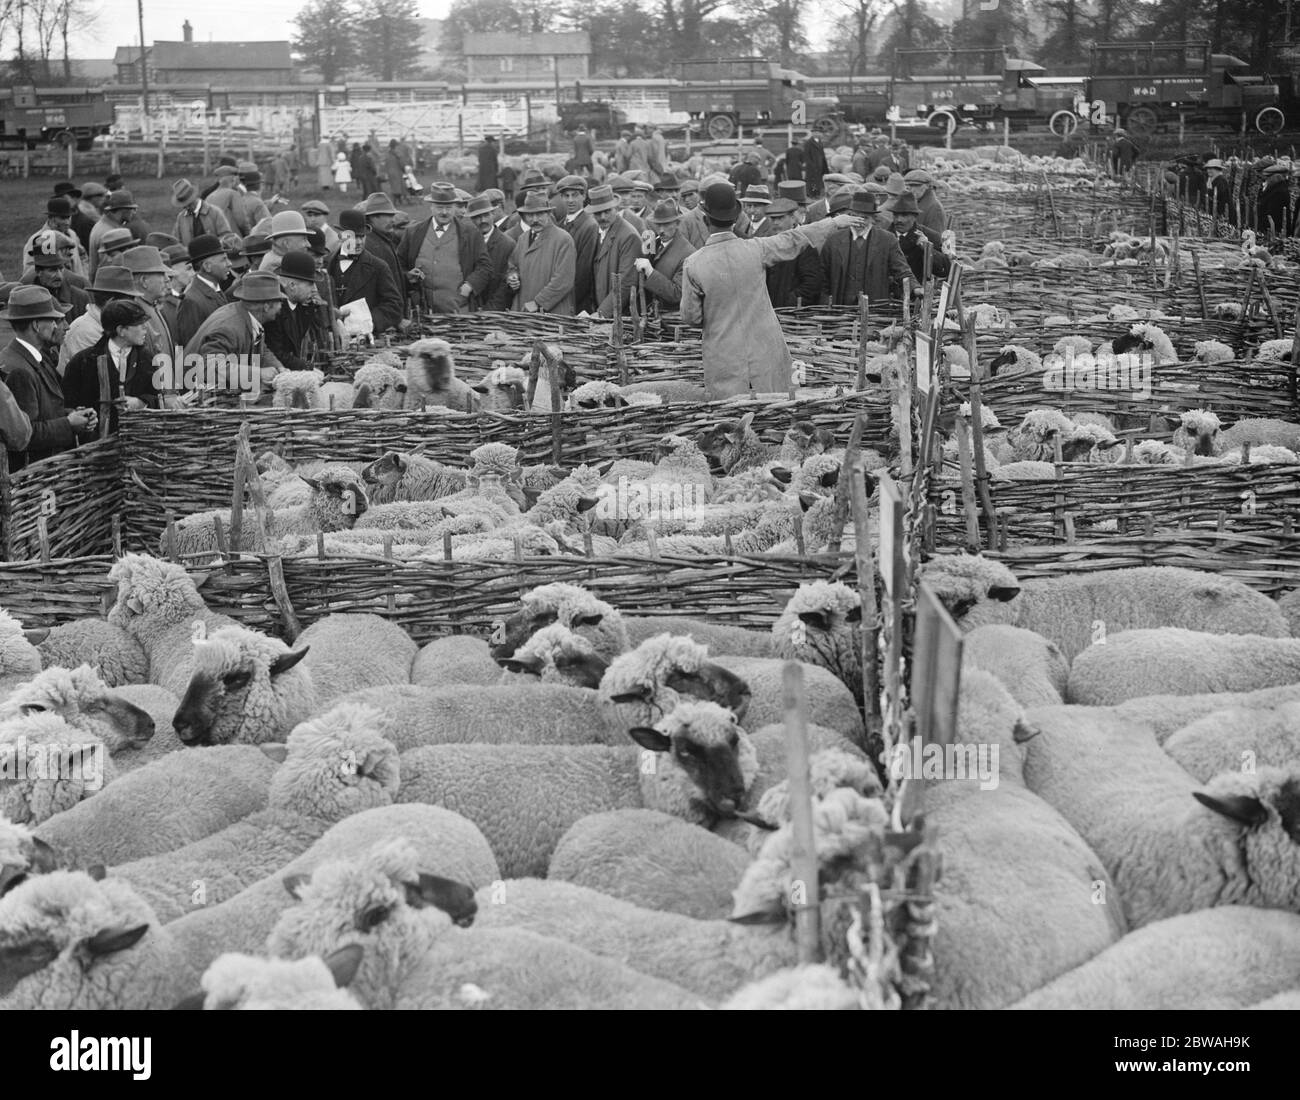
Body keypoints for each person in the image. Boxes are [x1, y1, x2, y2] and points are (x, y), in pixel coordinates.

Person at [680, 182, 857, 398]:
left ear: (706, 220)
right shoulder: (756, 249)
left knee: (729, 419)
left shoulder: (693, 264)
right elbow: (794, 238)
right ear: (736, 219)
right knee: (775, 411)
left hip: (723, 358)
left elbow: (691, 317)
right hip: (766, 353)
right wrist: (834, 222)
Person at [0, 286, 91, 470]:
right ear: (36, 325)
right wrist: (69, 424)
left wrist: (73, 415)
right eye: (51, 320)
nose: (57, 326)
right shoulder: (19, 370)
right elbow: (25, 435)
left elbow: (48, 410)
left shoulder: (38, 358)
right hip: (35, 473)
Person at [62, 297, 161, 436]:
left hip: (139, 441)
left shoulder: (149, 359)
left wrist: (141, 402)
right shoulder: (82, 362)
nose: (145, 328)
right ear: (121, 330)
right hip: (95, 445)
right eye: (139, 324)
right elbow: (68, 405)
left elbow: (161, 398)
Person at [183, 270, 286, 401]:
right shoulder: (229, 327)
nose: (281, 306)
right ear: (266, 306)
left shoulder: (246, 317)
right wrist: (258, 374)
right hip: (192, 402)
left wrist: (279, 368)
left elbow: (262, 349)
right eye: (279, 302)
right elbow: (210, 368)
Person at [398, 182, 491, 315]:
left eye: (448, 207)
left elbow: (485, 266)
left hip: (458, 310)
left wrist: (470, 285)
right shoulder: (413, 233)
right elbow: (398, 265)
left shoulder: (470, 233)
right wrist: (408, 276)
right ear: (431, 207)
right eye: (439, 207)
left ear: (455, 207)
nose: (444, 212)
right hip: (422, 311)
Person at [821, 191, 913, 307]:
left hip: (874, 310)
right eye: (854, 216)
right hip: (841, 309)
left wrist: (916, 288)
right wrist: (826, 307)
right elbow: (823, 279)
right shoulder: (833, 241)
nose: (859, 222)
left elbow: (902, 270)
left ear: (873, 218)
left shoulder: (887, 240)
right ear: (848, 215)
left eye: (864, 217)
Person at [328, 209, 404, 335]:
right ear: (341, 235)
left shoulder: (378, 267)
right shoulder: (327, 264)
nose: (358, 242)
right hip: (333, 339)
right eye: (352, 237)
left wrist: (367, 321)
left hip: (367, 340)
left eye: (361, 236)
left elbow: (394, 306)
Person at [506, 191, 576, 316]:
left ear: (548, 213)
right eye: (530, 215)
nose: (535, 220)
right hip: (524, 311)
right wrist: (512, 277)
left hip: (553, 314)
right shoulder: (523, 239)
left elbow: (563, 281)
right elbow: (512, 265)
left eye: (539, 214)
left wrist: (538, 303)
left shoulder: (563, 239)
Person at [59, 264, 138, 371]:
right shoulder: (85, 332)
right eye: (129, 302)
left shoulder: (107, 326)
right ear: (111, 302)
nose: (133, 308)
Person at [265, 251, 332, 370]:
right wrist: (307, 367)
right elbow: (277, 353)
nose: (314, 290)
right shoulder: (274, 310)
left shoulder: (304, 306)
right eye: (310, 284)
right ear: (292, 285)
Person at [589, 185, 643, 318]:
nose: (602, 217)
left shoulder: (629, 236)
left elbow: (626, 282)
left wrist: (602, 313)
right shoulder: (599, 231)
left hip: (619, 316)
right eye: (598, 213)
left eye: (607, 211)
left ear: (616, 209)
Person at [632, 201, 696, 310]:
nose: (661, 230)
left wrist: (650, 272)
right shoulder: (653, 244)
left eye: (666, 224)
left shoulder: (688, 254)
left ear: (677, 223)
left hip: (670, 320)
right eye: (658, 224)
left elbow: (677, 294)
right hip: (648, 315)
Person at [763, 198, 822, 308]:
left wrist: (789, 301)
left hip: (791, 313)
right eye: (772, 218)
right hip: (766, 311)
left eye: (780, 218)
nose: (775, 222)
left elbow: (812, 284)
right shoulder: (765, 244)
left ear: (793, 218)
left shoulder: (804, 245)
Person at [176, 235, 231, 348]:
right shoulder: (191, 301)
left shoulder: (216, 290)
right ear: (207, 266)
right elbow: (192, 348)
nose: (229, 263)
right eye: (223, 259)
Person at [554, 175, 599, 315]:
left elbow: (583, 272)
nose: (570, 200)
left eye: (575, 195)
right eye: (566, 196)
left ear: (584, 196)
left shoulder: (589, 226)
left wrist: (566, 300)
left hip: (577, 301)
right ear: (561, 198)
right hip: (560, 297)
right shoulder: (560, 224)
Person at [887, 192, 951, 283]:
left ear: (915, 216)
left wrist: (928, 249)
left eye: (904, 215)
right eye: (895, 215)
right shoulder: (884, 237)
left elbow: (945, 270)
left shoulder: (931, 236)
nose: (899, 220)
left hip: (919, 293)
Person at [467, 196, 515, 312]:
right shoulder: (465, 242)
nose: (483, 220)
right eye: (477, 217)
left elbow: (505, 284)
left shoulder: (507, 244)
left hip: (496, 312)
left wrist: (489, 311)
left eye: (486, 215)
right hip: (469, 310)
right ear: (471, 219)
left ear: (493, 214)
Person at [88, 190, 139, 279]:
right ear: (123, 210)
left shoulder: (104, 225)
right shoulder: (109, 234)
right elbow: (109, 269)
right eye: (132, 209)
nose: (134, 213)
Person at [171, 178, 232, 245]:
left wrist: (216, 244)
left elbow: (227, 236)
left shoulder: (215, 212)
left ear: (194, 197)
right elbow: (176, 241)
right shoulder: (181, 218)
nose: (186, 207)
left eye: (189, 204)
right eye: (184, 205)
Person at [903, 170, 946, 236]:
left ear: (927, 186)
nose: (910, 188)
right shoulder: (917, 202)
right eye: (908, 185)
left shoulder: (934, 207)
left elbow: (936, 239)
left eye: (915, 185)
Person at [1258, 163, 1292, 237]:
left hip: (1276, 232)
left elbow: (1274, 213)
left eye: (1268, 177)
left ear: (1276, 177)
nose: (1267, 179)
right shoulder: (1274, 188)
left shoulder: (1280, 191)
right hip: (1270, 230)